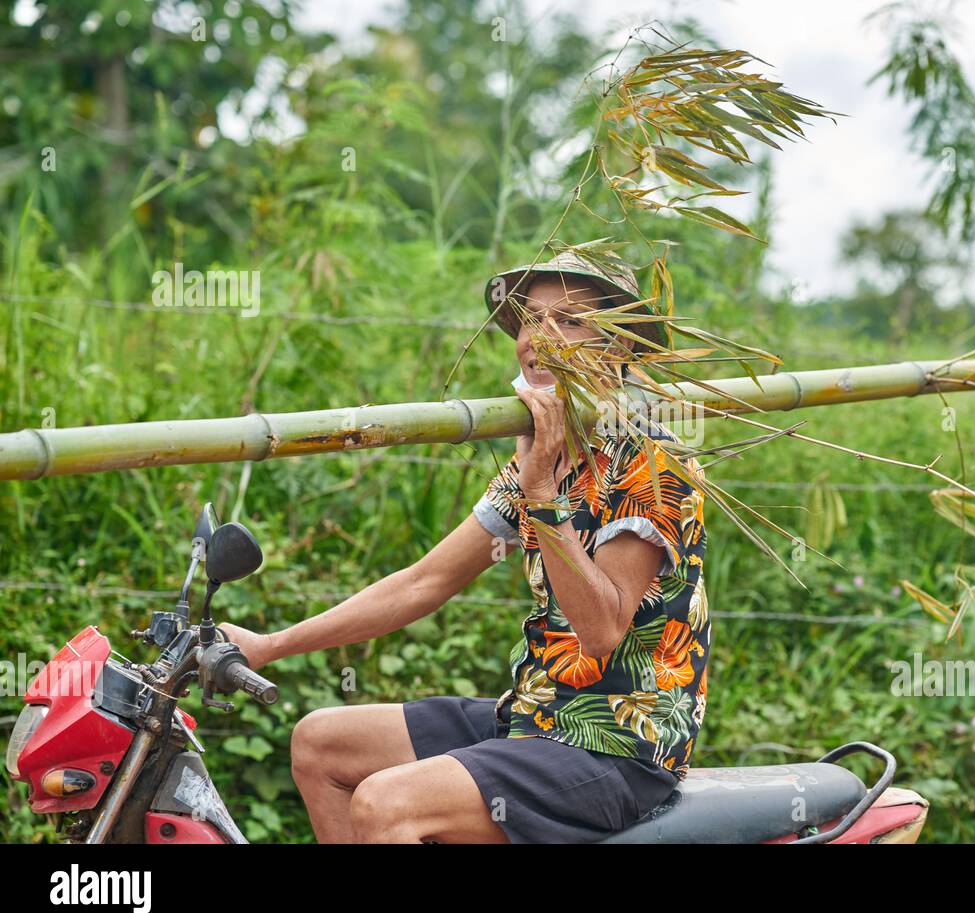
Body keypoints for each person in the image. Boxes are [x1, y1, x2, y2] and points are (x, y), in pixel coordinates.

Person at [220, 252, 711, 843]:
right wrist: (269, 646)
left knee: (386, 802)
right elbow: (423, 583)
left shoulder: (651, 462)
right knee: (321, 742)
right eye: (531, 318)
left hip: (618, 749)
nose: (541, 337)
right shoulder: (542, 458)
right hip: (536, 715)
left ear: (622, 345)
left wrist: (540, 492)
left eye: (572, 321)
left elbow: (602, 631)